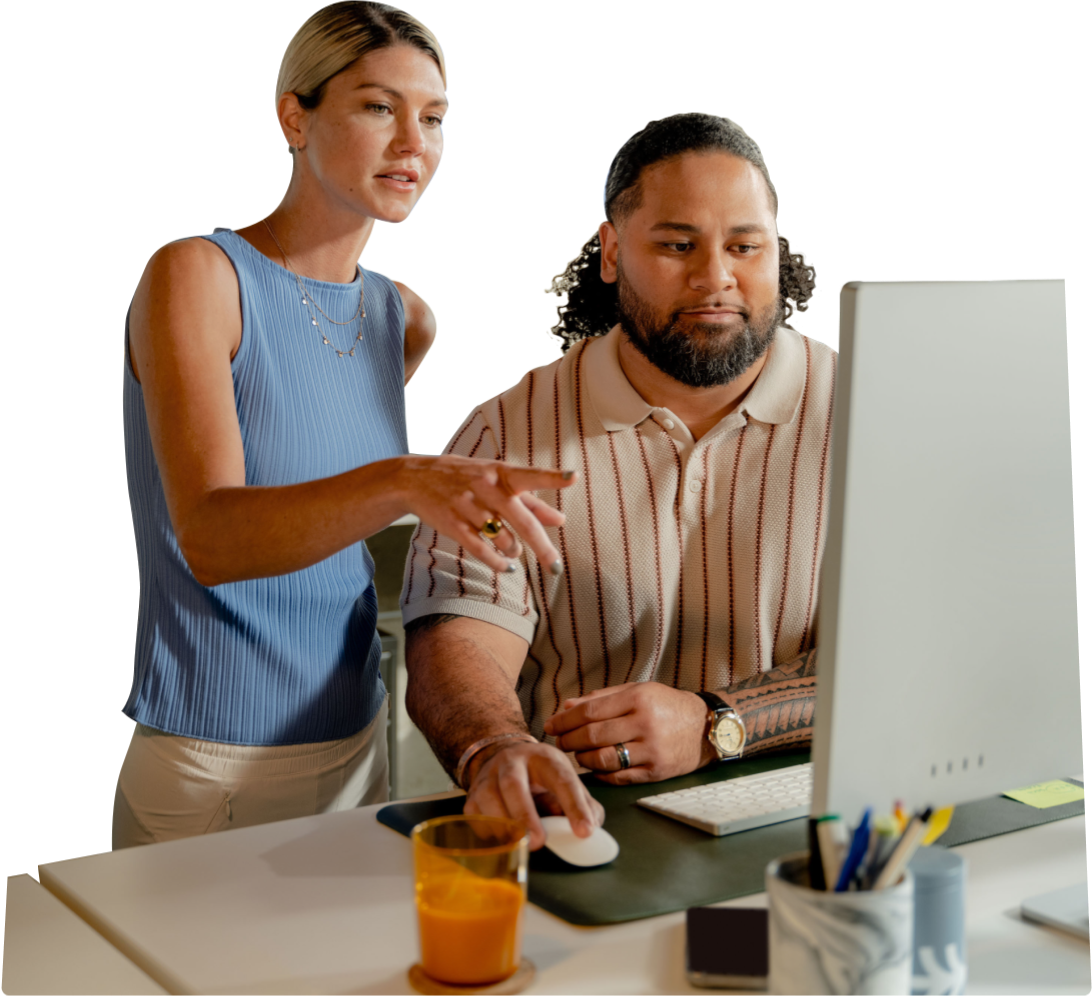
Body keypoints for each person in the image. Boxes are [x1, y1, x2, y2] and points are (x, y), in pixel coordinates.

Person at [114, 0, 577, 849]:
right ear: (295, 114)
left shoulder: (402, 316)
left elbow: (331, 509)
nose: (414, 143)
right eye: (377, 106)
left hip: (357, 745)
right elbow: (213, 538)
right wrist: (406, 479)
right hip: (214, 764)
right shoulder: (199, 276)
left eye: (432, 116)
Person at [400, 112, 833, 850]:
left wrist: (713, 722)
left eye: (744, 246)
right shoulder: (503, 434)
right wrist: (497, 751)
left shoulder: (871, 410)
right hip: (581, 822)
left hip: (813, 817)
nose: (715, 277)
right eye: (676, 244)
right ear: (610, 251)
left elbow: (913, 664)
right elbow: (458, 640)